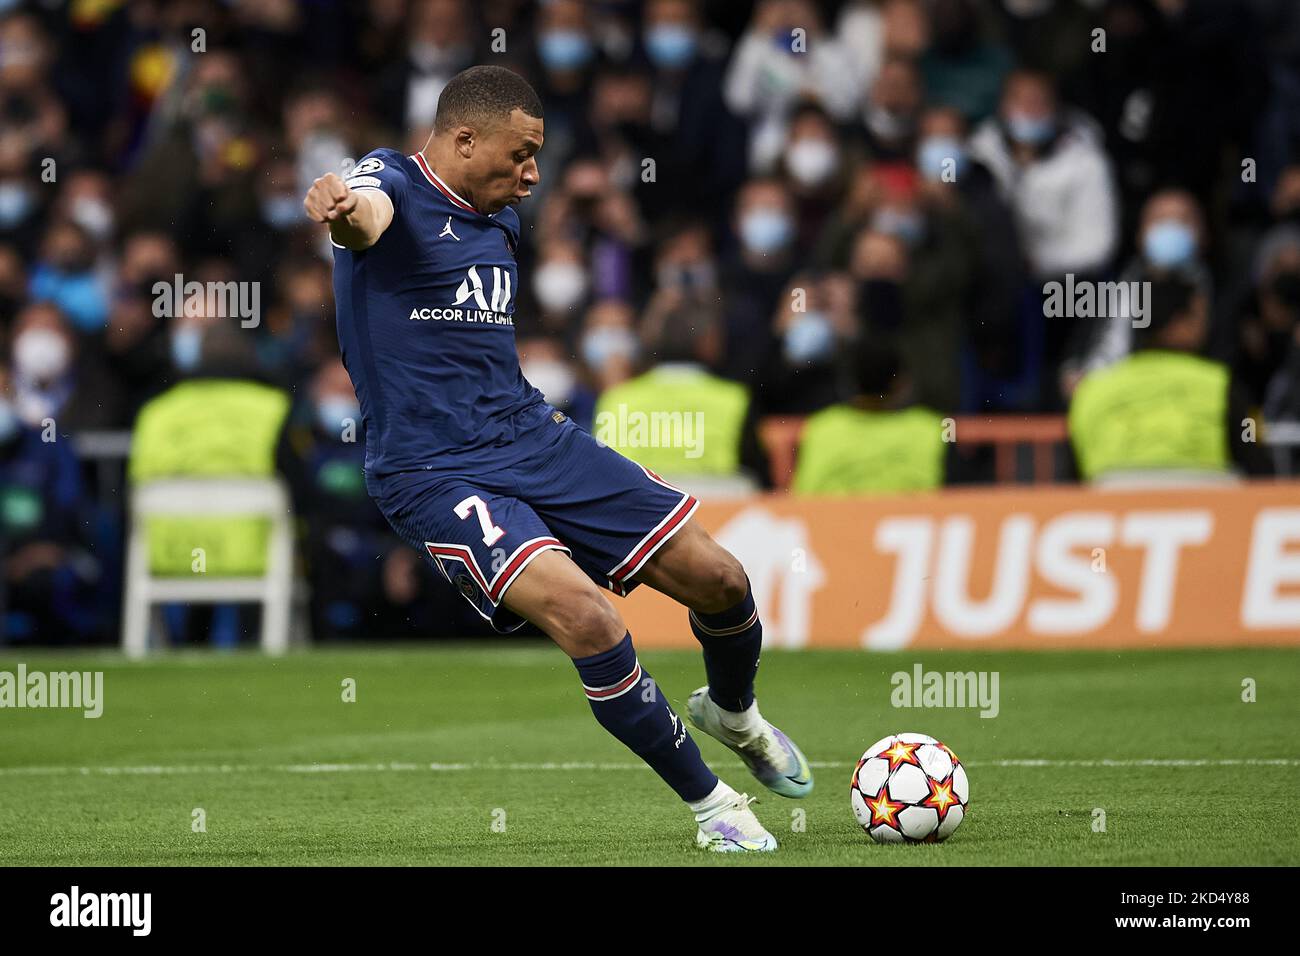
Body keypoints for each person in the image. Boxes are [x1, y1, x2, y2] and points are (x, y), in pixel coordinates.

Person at [303, 65, 810, 853]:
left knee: (722, 578)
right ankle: (714, 808)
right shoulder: (392, 178)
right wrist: (340, 209)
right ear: (464, 139)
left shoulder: (501, 215)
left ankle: (733, 712)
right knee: (589, 617)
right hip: (435, 469)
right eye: (522, 153)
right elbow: (363, 217)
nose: (533, 172)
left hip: (532, 435)